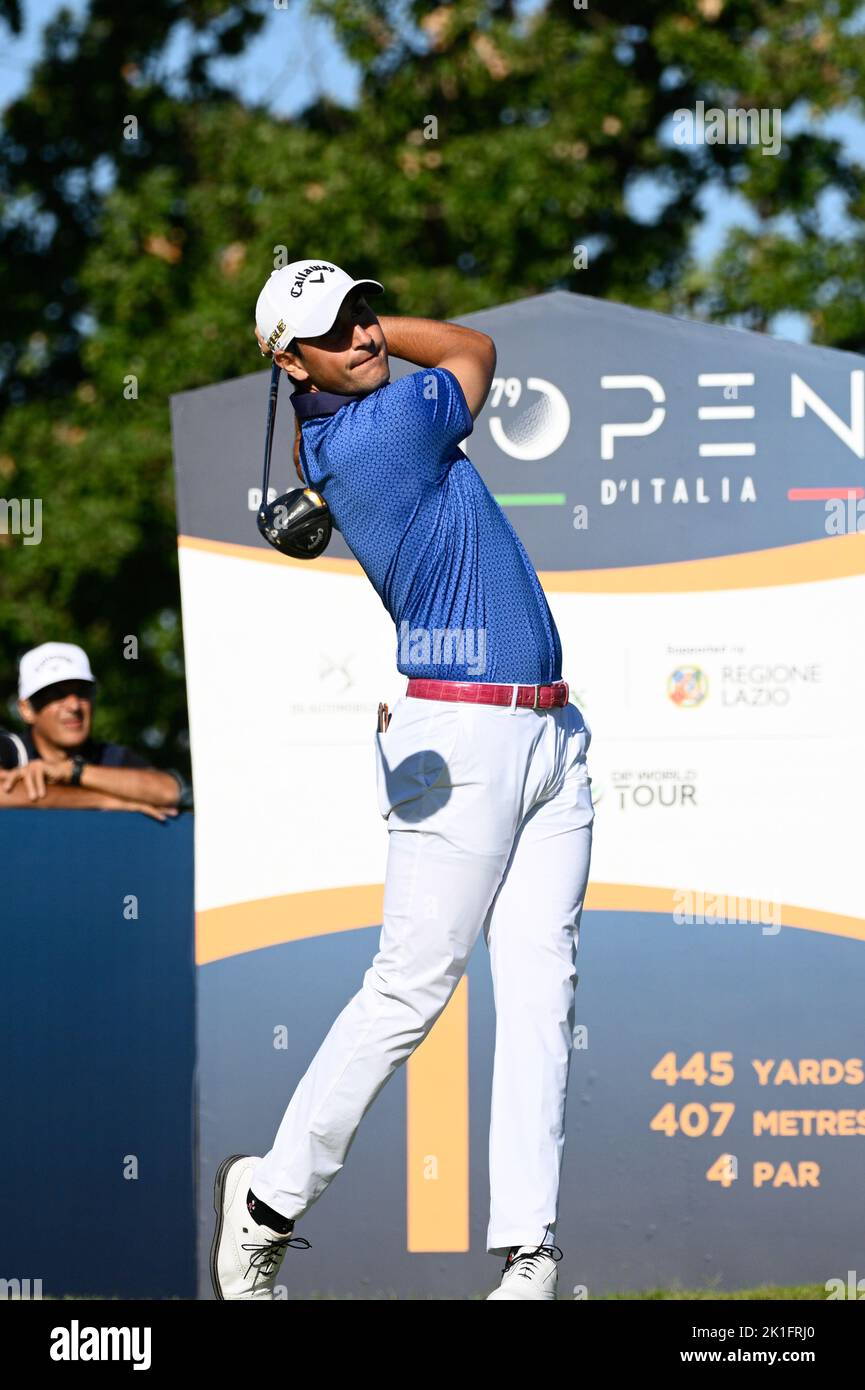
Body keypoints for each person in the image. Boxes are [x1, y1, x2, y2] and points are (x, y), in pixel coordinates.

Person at [210, 259, 594, 1302]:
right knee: (410, 985)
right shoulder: (383, 432)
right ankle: (266, 1206)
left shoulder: (352, 411)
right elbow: (474, 348)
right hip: (456, 738)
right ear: (289, 362)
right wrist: (387, 344)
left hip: (551, 735)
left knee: (539, 990)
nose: (367, 339)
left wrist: (345, 340)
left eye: (367, 314)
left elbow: (436, 358)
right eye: (337, 332)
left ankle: (528, 1252)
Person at [0, 642, 186, 821]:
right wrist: (105, 800)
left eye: (82, 693)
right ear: (27, 710)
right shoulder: (9, 749)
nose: (73, 706)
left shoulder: (109, 757)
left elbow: (168, 791)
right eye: (56, 695)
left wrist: (72, 771)